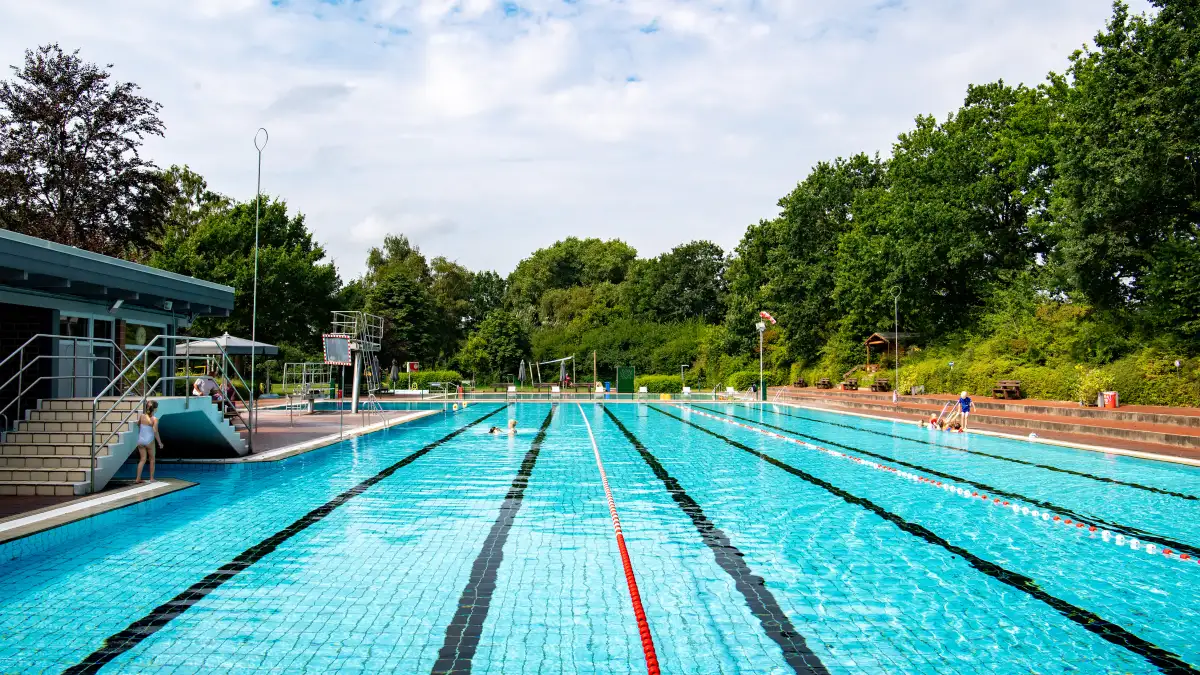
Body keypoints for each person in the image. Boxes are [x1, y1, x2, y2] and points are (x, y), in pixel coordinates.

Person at [134, 401, 163, 483]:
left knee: (142, 459)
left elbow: (138, 424)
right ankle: (151, 478)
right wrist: (160, 443)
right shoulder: (155, 419)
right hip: (149, 441)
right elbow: (155, 431)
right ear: (155, 409)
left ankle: (138, 479)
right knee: (152, 459)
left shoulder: (142, 416)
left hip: (140, 440)